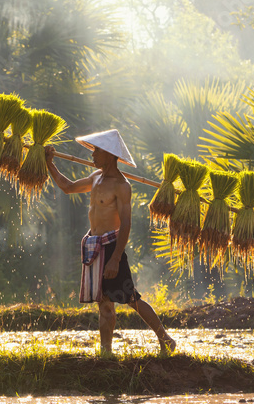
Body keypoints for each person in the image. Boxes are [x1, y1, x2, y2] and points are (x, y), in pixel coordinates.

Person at [44, 130, 176, 357]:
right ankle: (106, 352)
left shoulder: (122, 186)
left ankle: (166, 339)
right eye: (94, 150)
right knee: (104, 302)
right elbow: (68, 187)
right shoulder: (96, 177)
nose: (93, 155)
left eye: (97, 151)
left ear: (111, 154)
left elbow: (125, 224)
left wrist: (115, 259)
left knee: (131, 298)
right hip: (94, 247)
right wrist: (50, 163)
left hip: (111, 247)